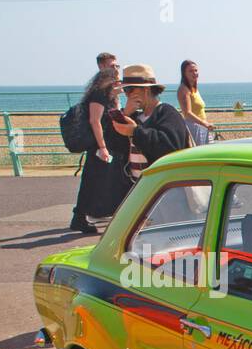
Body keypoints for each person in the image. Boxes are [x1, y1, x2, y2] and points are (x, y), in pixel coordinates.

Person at [70, 67, 131, 233]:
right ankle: (80, 217)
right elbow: (94, 121)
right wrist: (103, 147)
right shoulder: (99, 96)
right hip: (99, 147)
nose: (121, 84)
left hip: (106, 145)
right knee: (92, 182)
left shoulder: (110, 97)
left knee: (102, 181)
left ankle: (83, 217)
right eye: (118, 80)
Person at [109, 64, 191, 183]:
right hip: (138, 186)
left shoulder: (167, 113)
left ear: (146, 90)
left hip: (163, 187)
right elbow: (113, 145)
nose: (127, 94)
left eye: (129, 89)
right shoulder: (134, 117)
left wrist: (135, 132)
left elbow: (171, 147)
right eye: (125, 90)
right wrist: (125, 115)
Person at [177, 59, 214, 145]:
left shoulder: (194, 89)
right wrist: (204, 123)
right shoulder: (184, 89)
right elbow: (187, 113)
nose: (194, 73)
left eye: (196, 70)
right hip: (194, 127)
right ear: (184, 73)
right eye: (190, 71)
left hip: (202, 127)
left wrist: (205, 124)